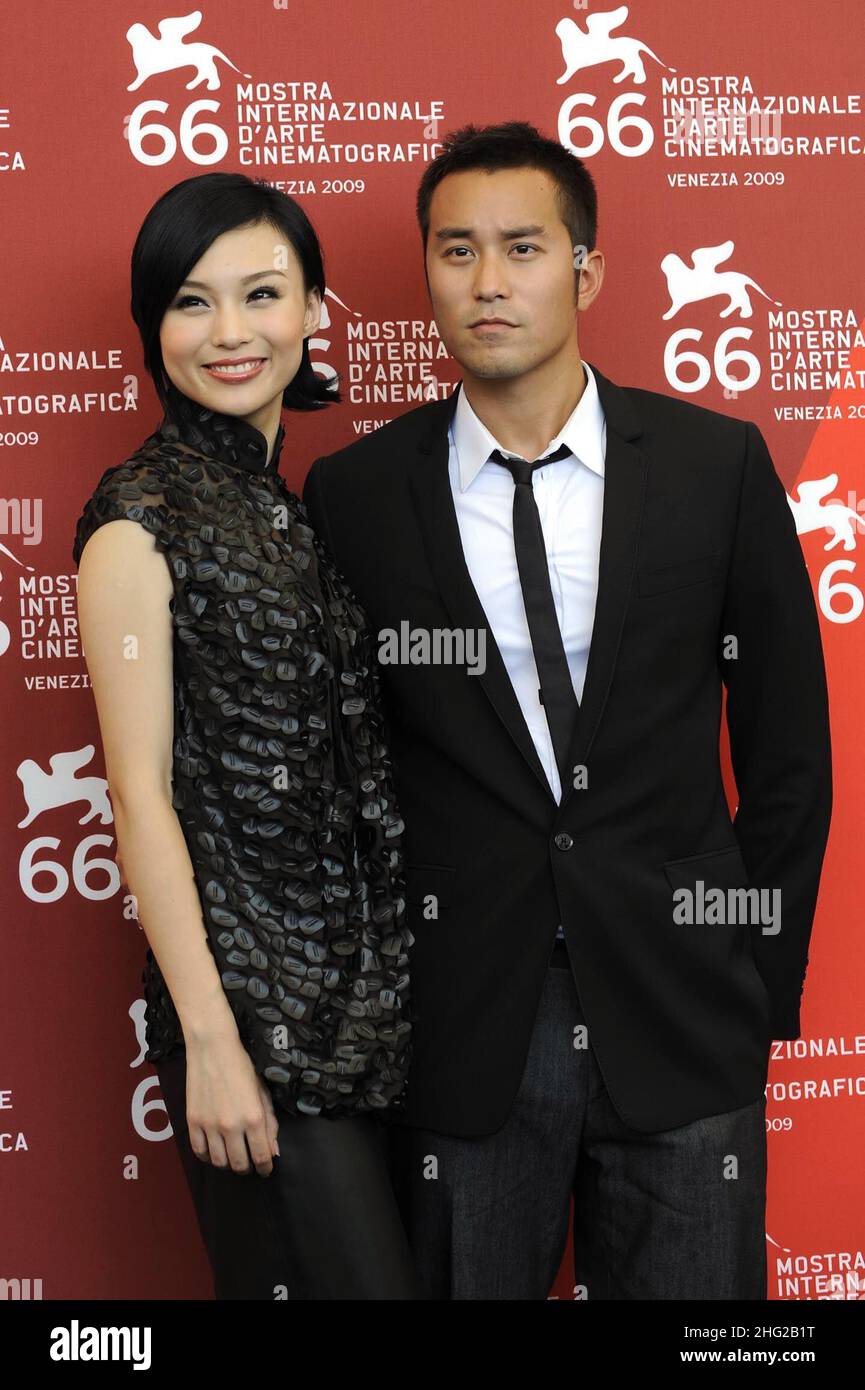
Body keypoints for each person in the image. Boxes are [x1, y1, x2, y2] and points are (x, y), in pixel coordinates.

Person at [302, 121, 833, 1299]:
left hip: (682, 1013)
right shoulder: (356, 496)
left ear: (584, 270)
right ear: (426, 272)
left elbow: (788, 755)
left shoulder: (715, 465)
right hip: (464, 1029)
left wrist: (753, 981)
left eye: (524, 248)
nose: (488, 281)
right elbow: (341, 778)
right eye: (455, 251)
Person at [72, 172, 419, 1300]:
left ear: (315, 309)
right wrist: (212, 1038)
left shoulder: (295, 513)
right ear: (152, 324)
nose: (229, 333)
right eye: (190, 301)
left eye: (262, 294)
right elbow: (140, 797)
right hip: (253, 1031)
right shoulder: (139, 519)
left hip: (365, 1016)